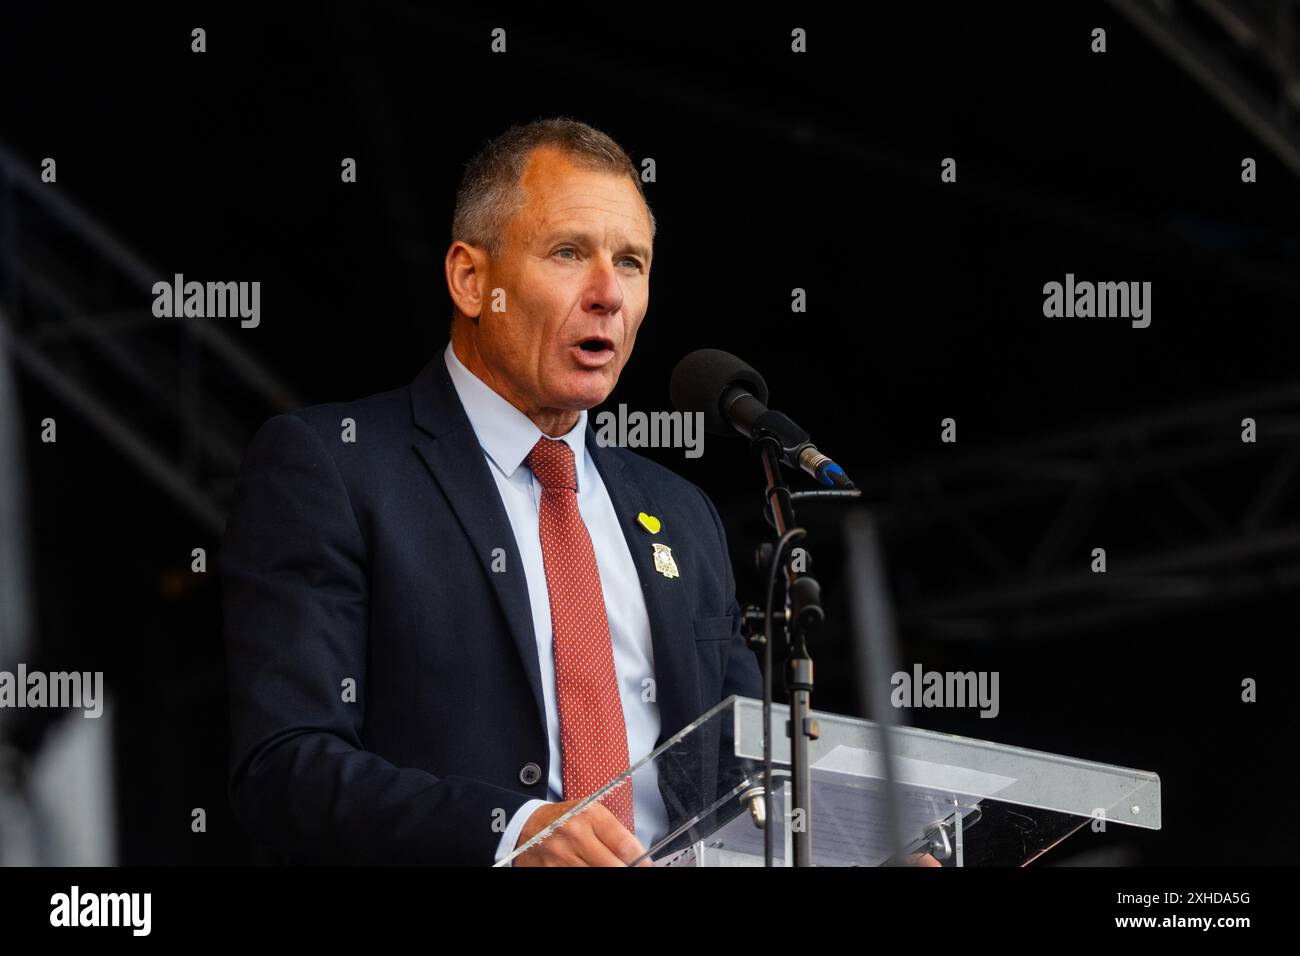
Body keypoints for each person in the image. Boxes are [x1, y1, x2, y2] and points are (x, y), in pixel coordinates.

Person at [220, 117, 762, 866]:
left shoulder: (681, 515)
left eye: (631, 262)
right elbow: (284, 766)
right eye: (569, 253)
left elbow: (748, 784)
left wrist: (854, 852)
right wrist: (509, 833)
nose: (608, 293)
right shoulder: (334, 469)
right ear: (472, 280)